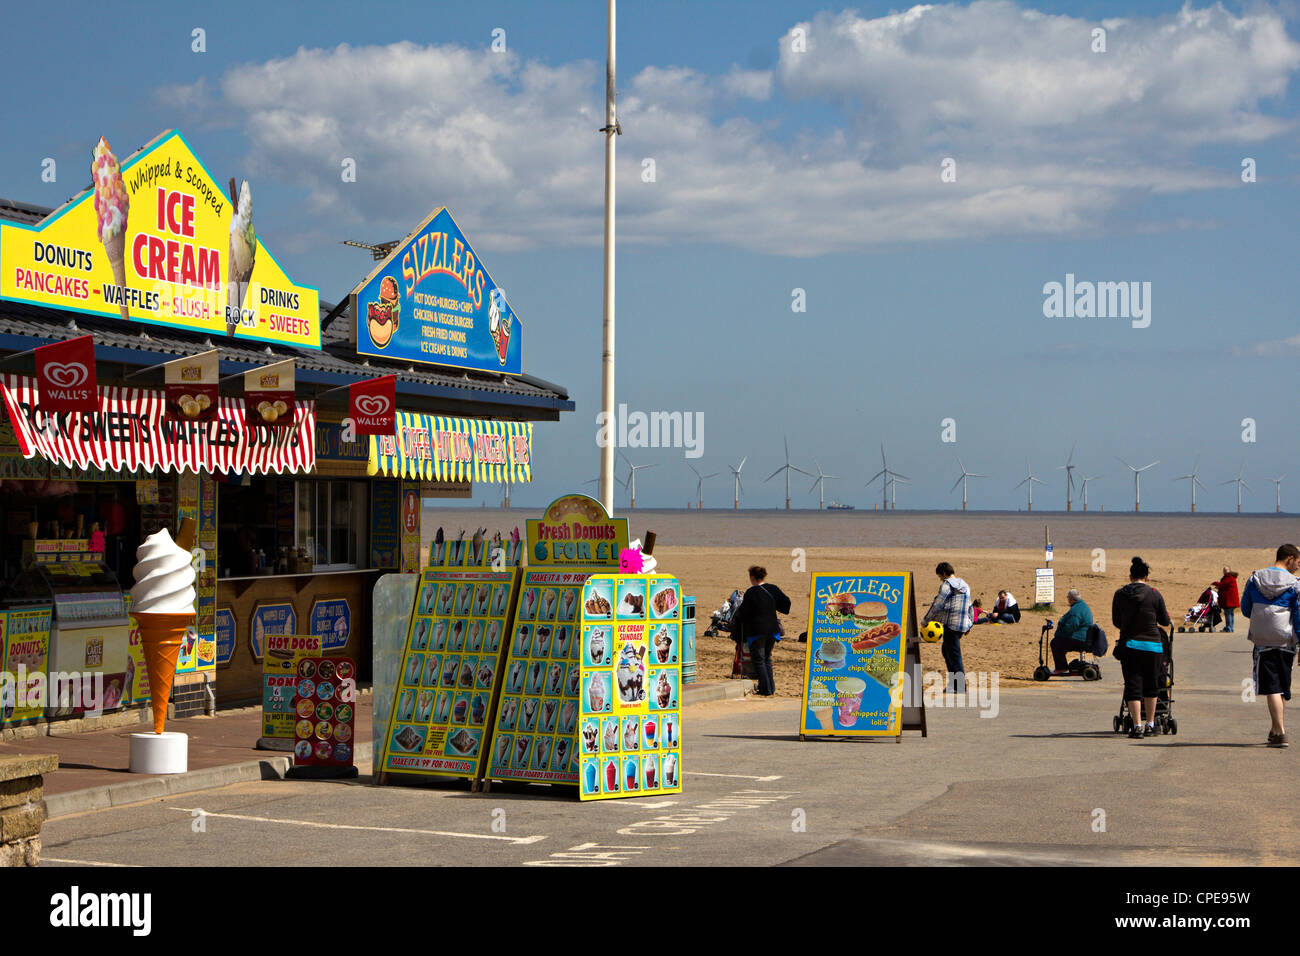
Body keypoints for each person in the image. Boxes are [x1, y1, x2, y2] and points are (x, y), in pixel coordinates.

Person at [1240, 545, 1300, 748]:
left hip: (1263, 639)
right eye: (1298, 563)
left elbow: (1246, 608)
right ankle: (1277, 730)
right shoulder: (1295, 584)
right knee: (1281, 687)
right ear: (1290, 559)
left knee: (1272, 687)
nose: (1297, 568)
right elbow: (1299, 615)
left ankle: (1278, 731)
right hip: (1285, 639)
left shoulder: (1255, 579)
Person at [1112, 556, 1171, 739]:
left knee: (1133, 685)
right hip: (1153, 645)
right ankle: (1151, 724)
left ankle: (1137, 725)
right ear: (1146, 577)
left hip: (1130, 645)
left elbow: (1116, 621)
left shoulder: (1120, 594)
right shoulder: (1154, 593)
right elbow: (1165, 621)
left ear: (1130, 576)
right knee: (1151, 685)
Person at [732, 565, 791, 697]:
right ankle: (771, 688)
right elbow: (786, 603)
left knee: (759, 660)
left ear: (752, 577)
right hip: (773, 629)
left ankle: (765, 689)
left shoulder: (751, 592)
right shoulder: (773, 589)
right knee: (767, 659)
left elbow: (744, 613)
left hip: (757, 631)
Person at [922, 561, 973, 692]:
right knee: (946, 651)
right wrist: (969, 625)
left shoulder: (947, 585)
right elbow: (970, 606)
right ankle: (953, 684)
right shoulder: (965, 585)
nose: (940, 579)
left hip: (951, 624)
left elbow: (938, 604)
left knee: (954, 655)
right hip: (962, 625)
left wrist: (926, 620)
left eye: (940, 576)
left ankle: (960, 686)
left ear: (944, 574)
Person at [1051, 588, 1094, 673]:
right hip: (1083, 638)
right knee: (1059, 643)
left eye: (1068, 598)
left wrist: (1060, 633)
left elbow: (1071, 626)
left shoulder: (1076, 610)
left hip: (1079, 639)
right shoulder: (1082, 606)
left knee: (1055, 643)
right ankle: (1062, 666)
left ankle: (1061, 668)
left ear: (1071, 599)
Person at [1218, 566, 1240, 633]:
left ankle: (1229, 628)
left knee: (1228, 614)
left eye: (1226, 570)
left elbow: (1223, 584)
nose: (1225, 571)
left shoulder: (1229, 577)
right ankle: (1230, 627)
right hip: (1230, 600)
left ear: (1229, 570)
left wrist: (1215, 583)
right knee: (1230, 614)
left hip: (1229, 600)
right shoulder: (1229, 577)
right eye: (1224, 570)